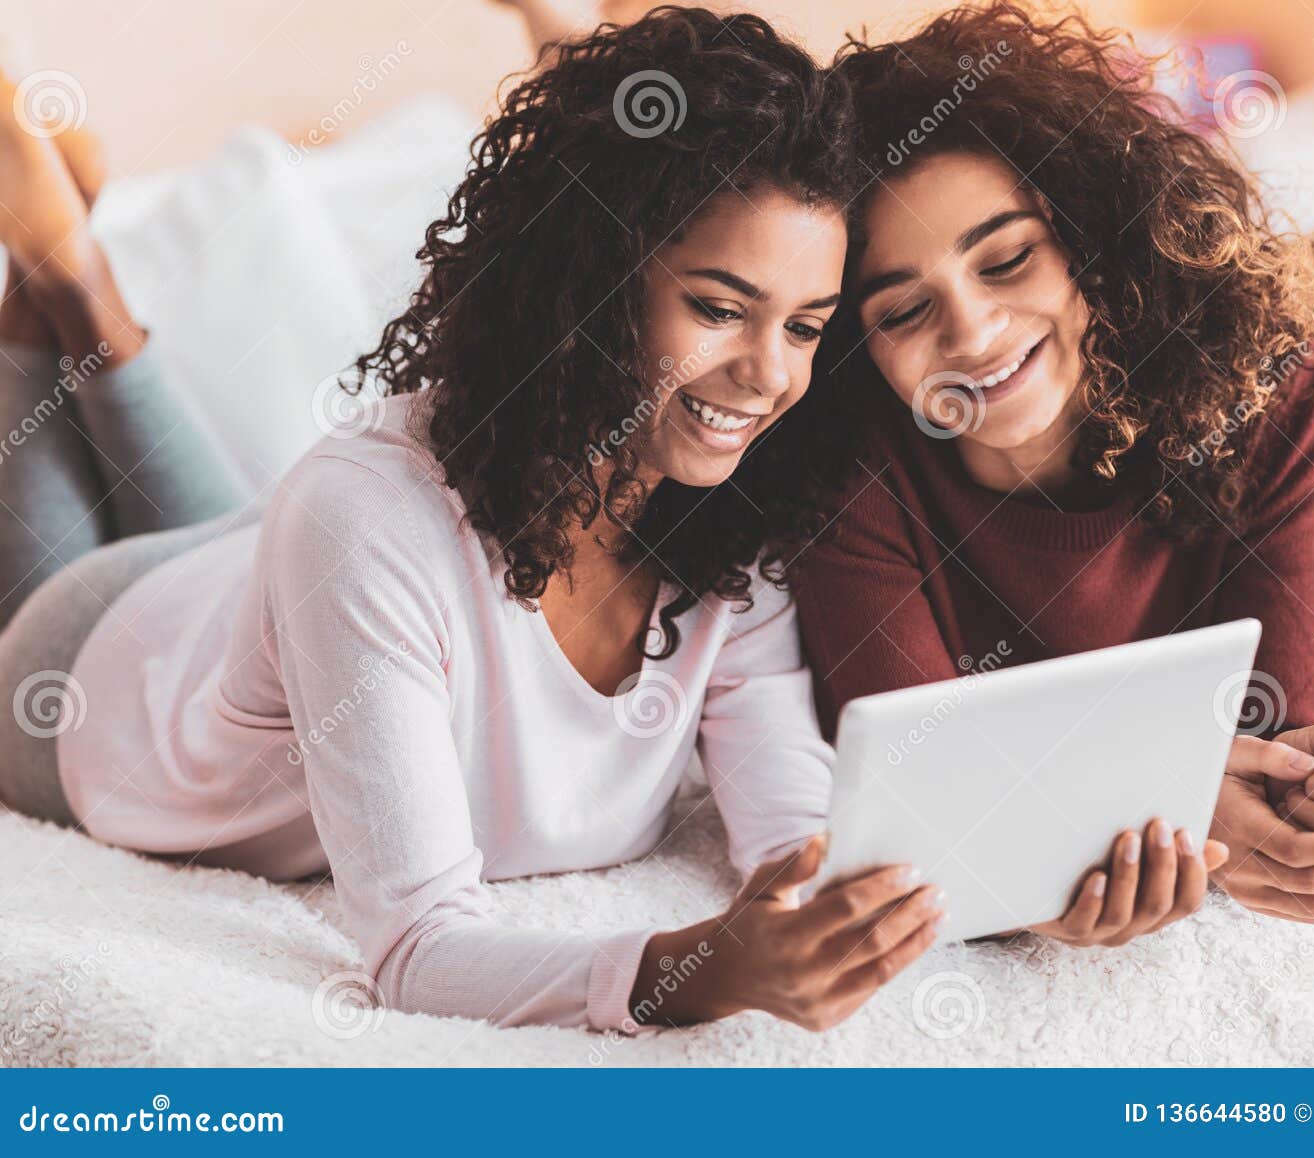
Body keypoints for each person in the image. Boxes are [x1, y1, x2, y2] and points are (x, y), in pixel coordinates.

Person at [0, 9, 942, 1035]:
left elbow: (792, 826)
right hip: (100, 671)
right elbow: (417, 950)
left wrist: (845, 902)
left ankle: (66, 271)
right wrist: (696, 973)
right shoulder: (364, 515)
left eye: (804, 327)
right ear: (589, 282)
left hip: (273, 574)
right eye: (718, 309)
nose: (767, 375)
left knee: (287, 525)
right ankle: (67, 287)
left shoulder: (730, 521)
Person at [794, 3, 1314, 941]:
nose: (973, 334)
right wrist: (1153, 817)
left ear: (1093, 232)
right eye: (903, 313)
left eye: (1008, 260)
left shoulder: (1275, 389)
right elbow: (924, 811)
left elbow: (1276, 745)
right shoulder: (841, 465)